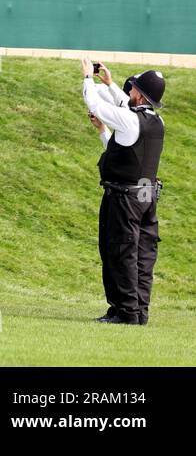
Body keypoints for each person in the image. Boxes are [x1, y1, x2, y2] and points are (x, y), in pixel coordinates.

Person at [80, 59, 166, 326]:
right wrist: (110, 84)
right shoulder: (157, 121)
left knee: (120, 252)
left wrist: (87, 78)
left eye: (133, 89)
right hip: (145, 196)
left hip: (124, 198)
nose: (130, 92)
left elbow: (96, 105)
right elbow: (126, 154)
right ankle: (138, 311)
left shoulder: (130, 120)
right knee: (141, 254)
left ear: (139, 94)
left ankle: (125, 312)